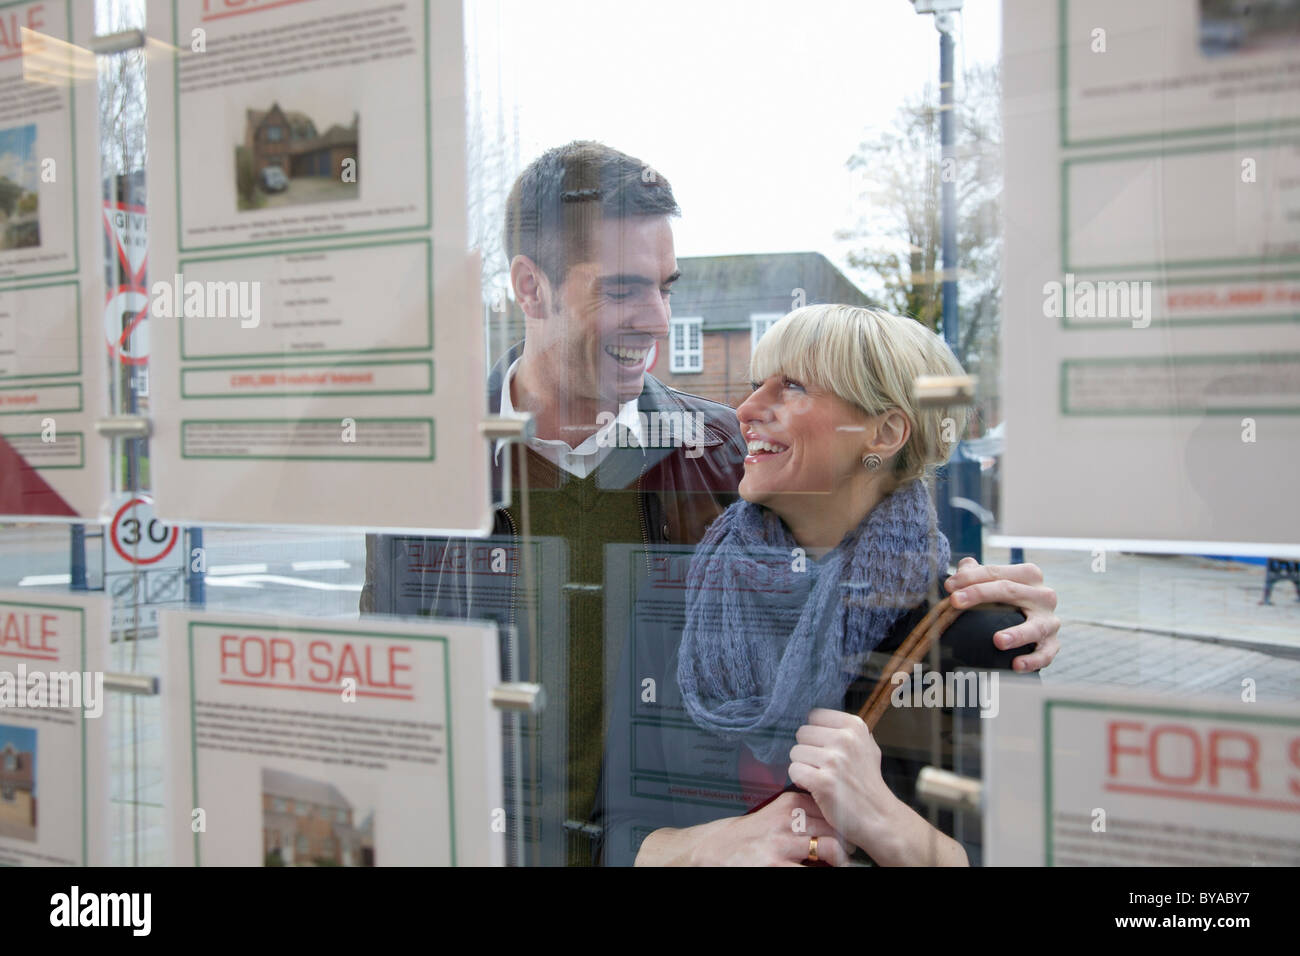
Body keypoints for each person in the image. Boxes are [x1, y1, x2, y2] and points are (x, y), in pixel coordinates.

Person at [360, 142, 1061, 865]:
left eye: (667, 286)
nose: (659, 321)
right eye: (625, 289)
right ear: (530, 289)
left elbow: (871, 547)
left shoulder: (730, 460)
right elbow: (393, 714)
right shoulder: (424, 475)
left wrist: (1002, 619)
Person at [630, 304, 1030, 866]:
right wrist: (700, 849)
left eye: (791, 387)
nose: (746, 409)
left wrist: (885, 822)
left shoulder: (976, 636)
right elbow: (613, 827)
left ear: (886, 432)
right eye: (754, 385)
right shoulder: (682, 602)